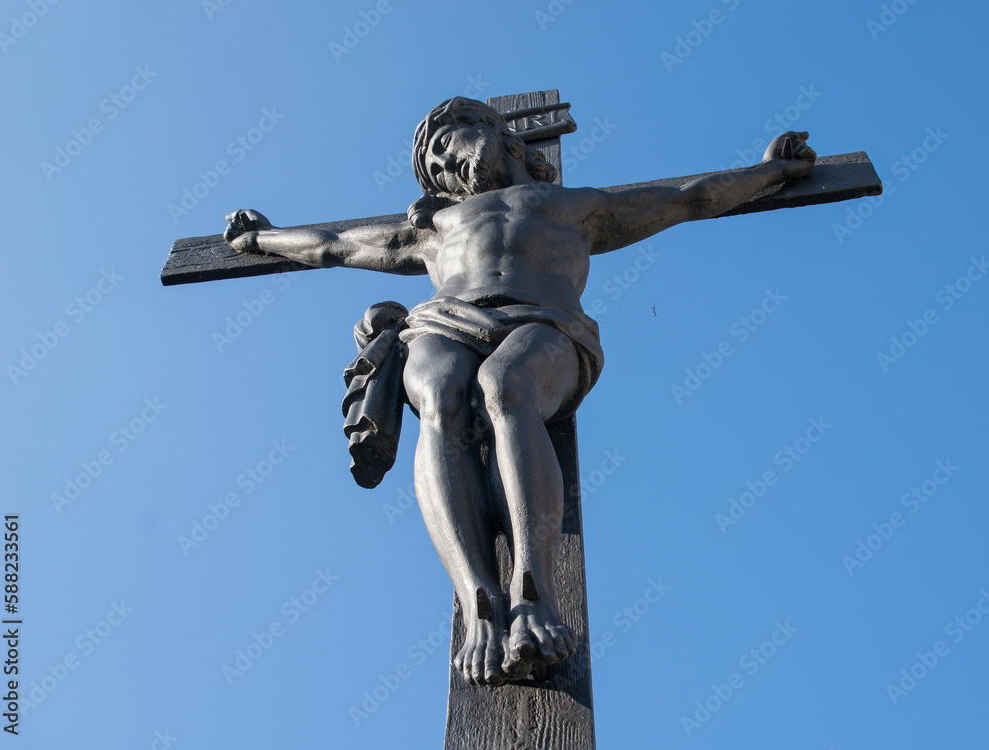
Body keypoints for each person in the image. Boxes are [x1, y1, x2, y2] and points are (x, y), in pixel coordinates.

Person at [223, 97, 815, 686]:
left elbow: (689, 197)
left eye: (444, 145)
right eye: (436, 168)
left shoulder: (575, 206)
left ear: (494, 130)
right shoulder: (438, 226)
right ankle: (477, 597)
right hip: (447, 321)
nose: (444, 165)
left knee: (505, 385)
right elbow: (336, 242)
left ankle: (533, 593)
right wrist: (265, 239)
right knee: (440, 394)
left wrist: (769, 172)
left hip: (543, 321)